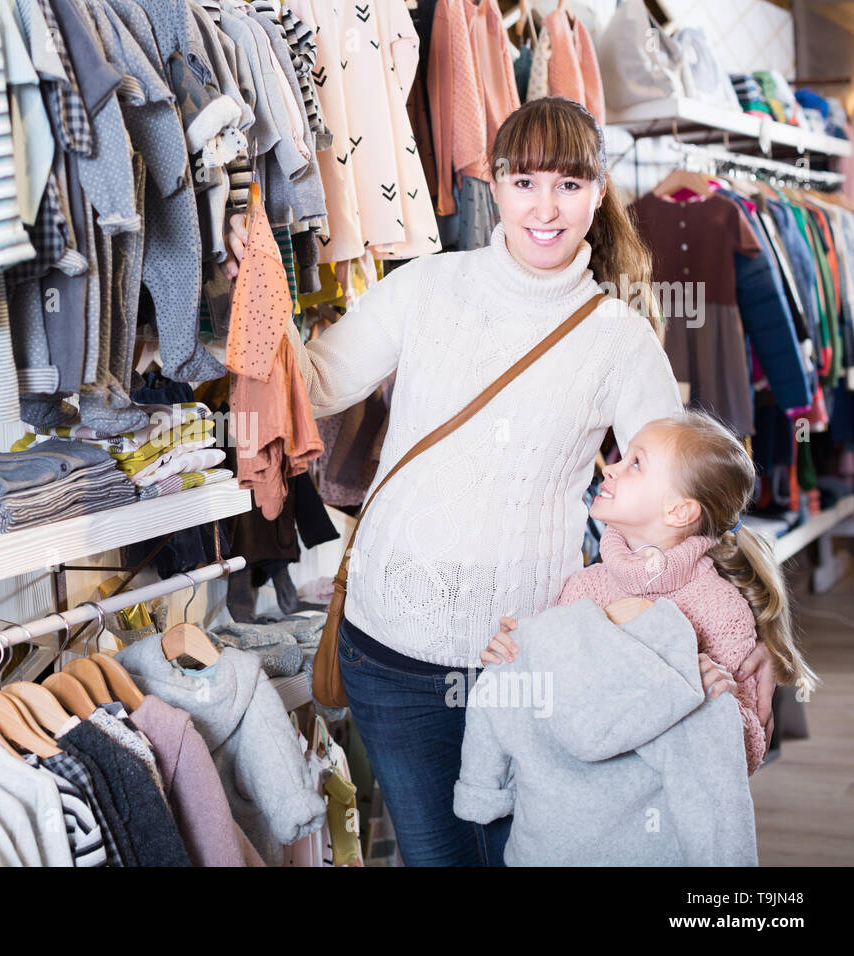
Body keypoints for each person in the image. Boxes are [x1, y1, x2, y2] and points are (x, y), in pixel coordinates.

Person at [221, 96, 779, 866]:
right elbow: (311, 385)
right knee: (434, 856)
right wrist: (261, 285)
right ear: (498, 185)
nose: (545, 208)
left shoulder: (617, 339)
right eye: (525, 183)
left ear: (597, 192)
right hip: (387, 649)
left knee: (524, 854)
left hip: (525, 664)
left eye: (569, 185)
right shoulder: (426, 287)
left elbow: (678, 506)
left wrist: (734, 635)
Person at [483, 409, 819, 777]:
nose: (610, 468)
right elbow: (555, 701)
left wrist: (717, 704)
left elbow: (748, 754)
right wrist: (515, 662)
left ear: (679, 511)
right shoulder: (583, 587)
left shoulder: (721, 611)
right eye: (622, 458)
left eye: (635, 464)